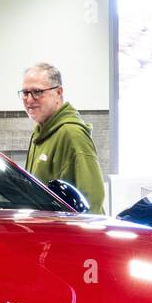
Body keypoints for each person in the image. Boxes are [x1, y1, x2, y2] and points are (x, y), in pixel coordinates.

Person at [21, 63, 107, 214]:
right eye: (25, 92)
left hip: (70, 234)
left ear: (59, 92)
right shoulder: (39, 132)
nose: (29, 99)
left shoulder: (72, 134)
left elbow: (93, 198)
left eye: (37, 92)